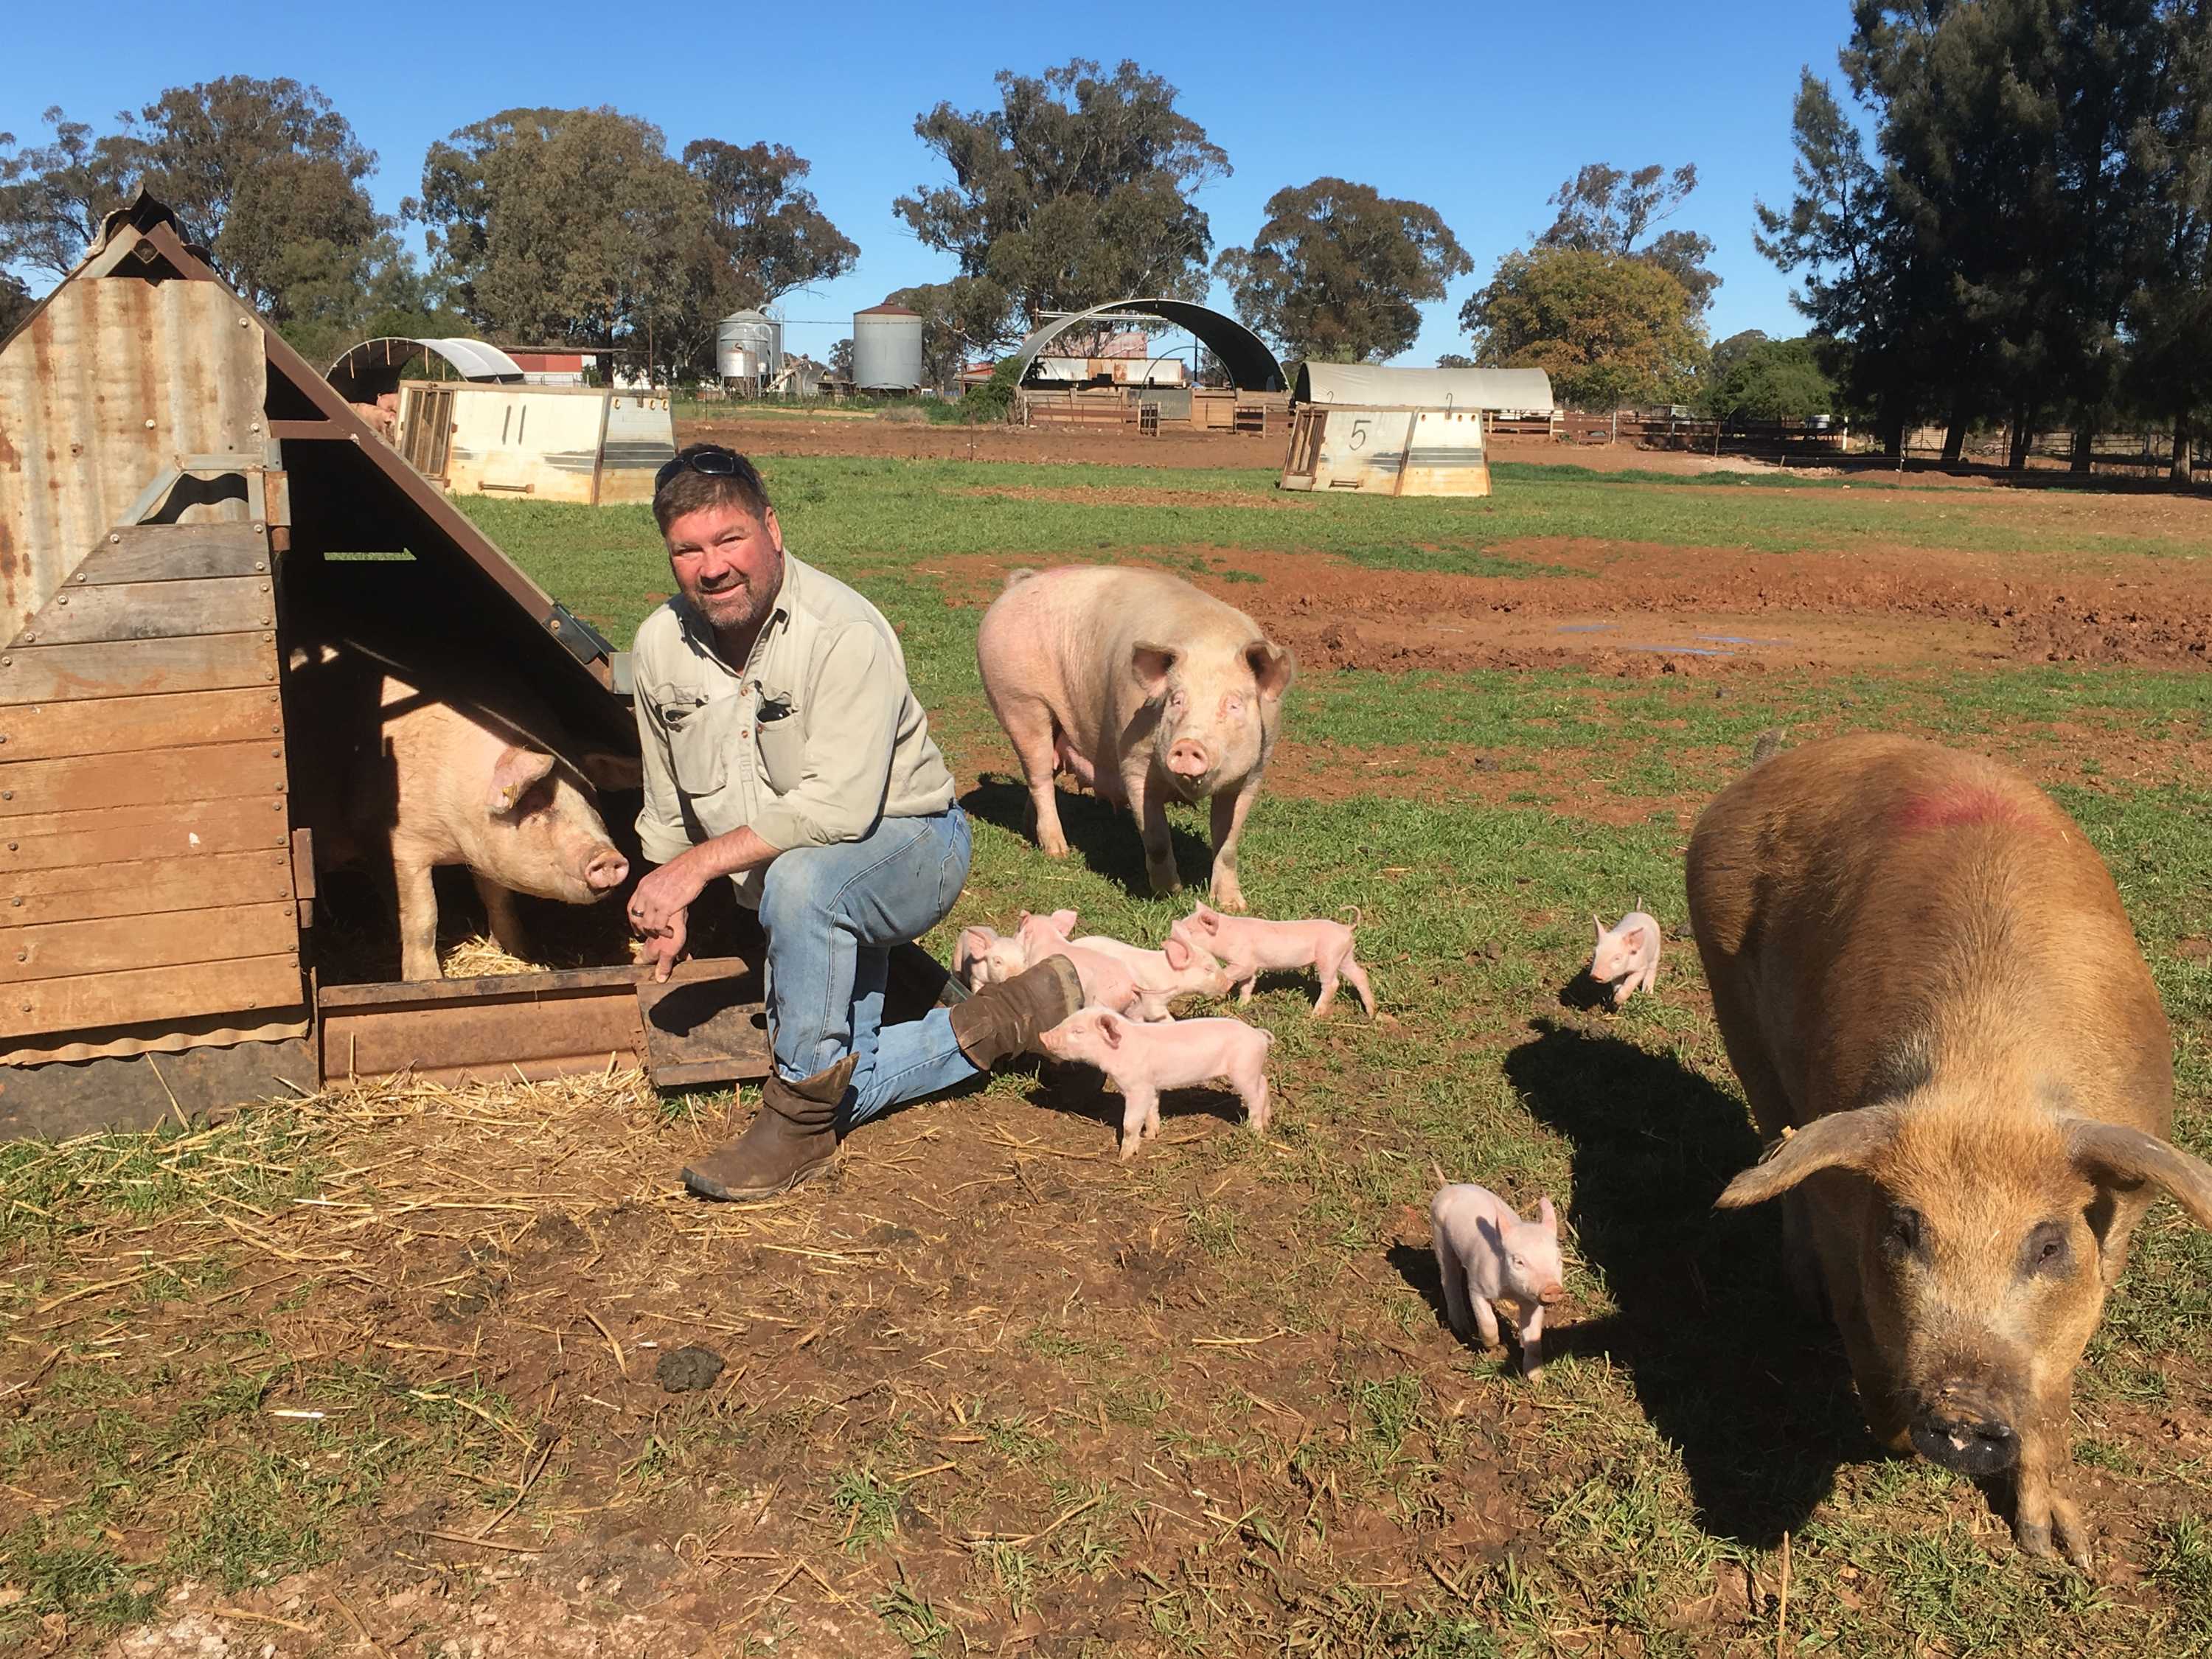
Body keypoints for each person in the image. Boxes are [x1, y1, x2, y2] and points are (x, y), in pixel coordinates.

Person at [625, 445, 1080, 1202]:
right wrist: (671, 898)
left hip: (910, 845)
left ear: (772, 528)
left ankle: (793, 1132)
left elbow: (834, 811)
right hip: (800, 882)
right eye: (688, 550)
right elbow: (668, 801)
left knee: (804, 885)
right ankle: (1011, 1015)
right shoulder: (657, 646)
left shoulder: (842, 630)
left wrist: (698, 868)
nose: (713, 568)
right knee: (841, 1069)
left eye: (730, 539)